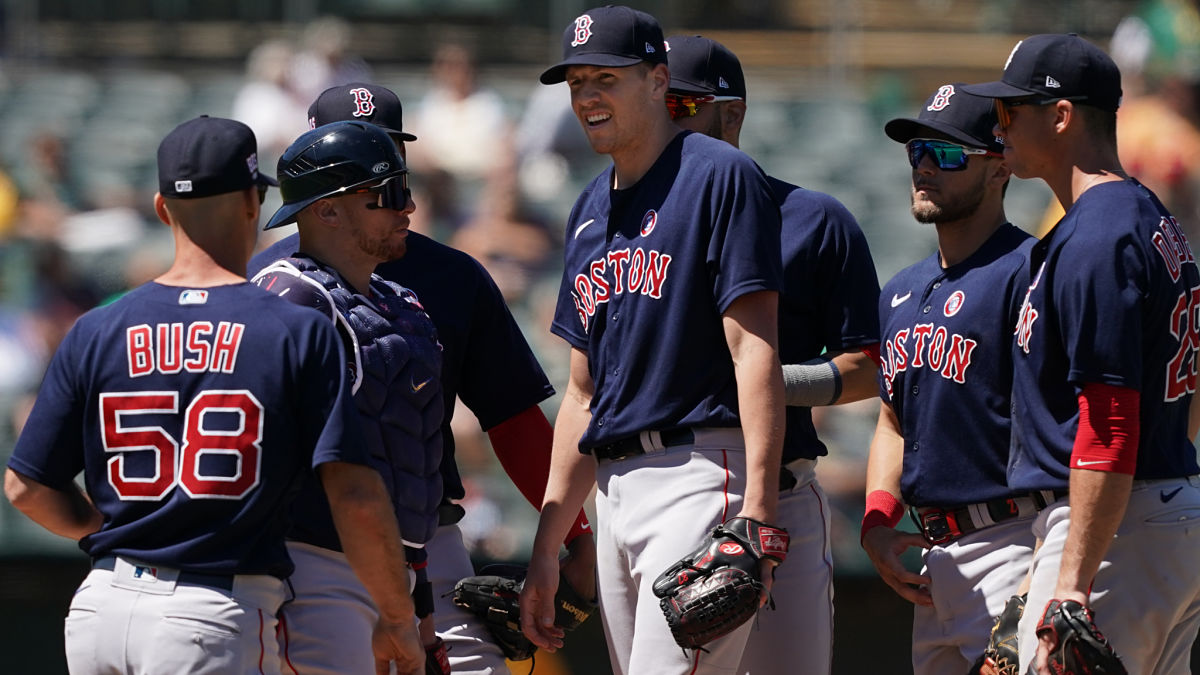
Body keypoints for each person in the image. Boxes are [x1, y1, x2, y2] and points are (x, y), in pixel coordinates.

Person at [3, 115, 424, 674]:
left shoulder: (97, 328)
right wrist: (397, 616)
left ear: (160, 209)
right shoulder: (292, 330)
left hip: (99, 608)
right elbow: (354, 496)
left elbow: (25, 486)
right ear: (254, 203)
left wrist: (108, 532)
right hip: (210, 610)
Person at [249, 82, 595, 675]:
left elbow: (512, 418)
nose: (392, 194)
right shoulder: (273, 284)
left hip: (427, 537)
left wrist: (576, 535)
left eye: (390, 163)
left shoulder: (450, 277)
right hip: (310, 545)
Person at [519, 7, 787, 675]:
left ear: (657, 79)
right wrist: (550, 544)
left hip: (696, 476)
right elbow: (583, 392)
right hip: (612, 492)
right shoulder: (588, 209)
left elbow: (754, 349)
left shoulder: (718, 174)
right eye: (576, 82)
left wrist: (758, 510)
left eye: (604, 77)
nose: (586, 97)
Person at [963, 34, 1200, 674]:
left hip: (1115, 529)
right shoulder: (1142, 216)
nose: (997, 125)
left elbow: (1111, 420)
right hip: (1158, 508)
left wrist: (1072, 583)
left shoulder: (1098, 232)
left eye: (1012, 111)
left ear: (1062, 116)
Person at [663, 34, 881, 675]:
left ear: (732, 114)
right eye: (658, 101)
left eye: (682, 104)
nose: (666, 120)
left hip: (781, 489)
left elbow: (869, 366)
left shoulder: (814, 219)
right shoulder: (628, 220)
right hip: (666, 483)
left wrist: (767, 382)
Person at [249, 119, 448, 674]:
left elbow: (409, 474)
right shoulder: (290, 297)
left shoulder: (399, 302)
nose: (406, 207)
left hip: (390, 575)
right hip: (309, 568)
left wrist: (420, 613)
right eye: (387, 194)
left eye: (404, 190)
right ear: (328, 210)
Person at [860, 84, 1039, 674]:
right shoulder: (900, 291)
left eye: (950, 153)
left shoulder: (1032, 272)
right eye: (918, 152)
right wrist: (879, 521)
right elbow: (891, 421)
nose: (927, 167)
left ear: (1000, 166)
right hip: (936, 559)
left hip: (1016, 538)